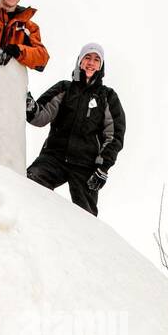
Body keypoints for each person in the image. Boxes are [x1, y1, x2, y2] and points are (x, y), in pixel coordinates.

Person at [25, 43, 125, 216]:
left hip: (86, 166)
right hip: (54, 157)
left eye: (96, 60)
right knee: (29, 184)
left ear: (100, 66)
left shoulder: (107, 96)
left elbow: (114, 135)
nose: (91, 62)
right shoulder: (64, 88)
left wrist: (103, 167)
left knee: (86, 220)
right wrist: (30, 106)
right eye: (87, 57)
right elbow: (40, 116)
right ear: (80, 61)